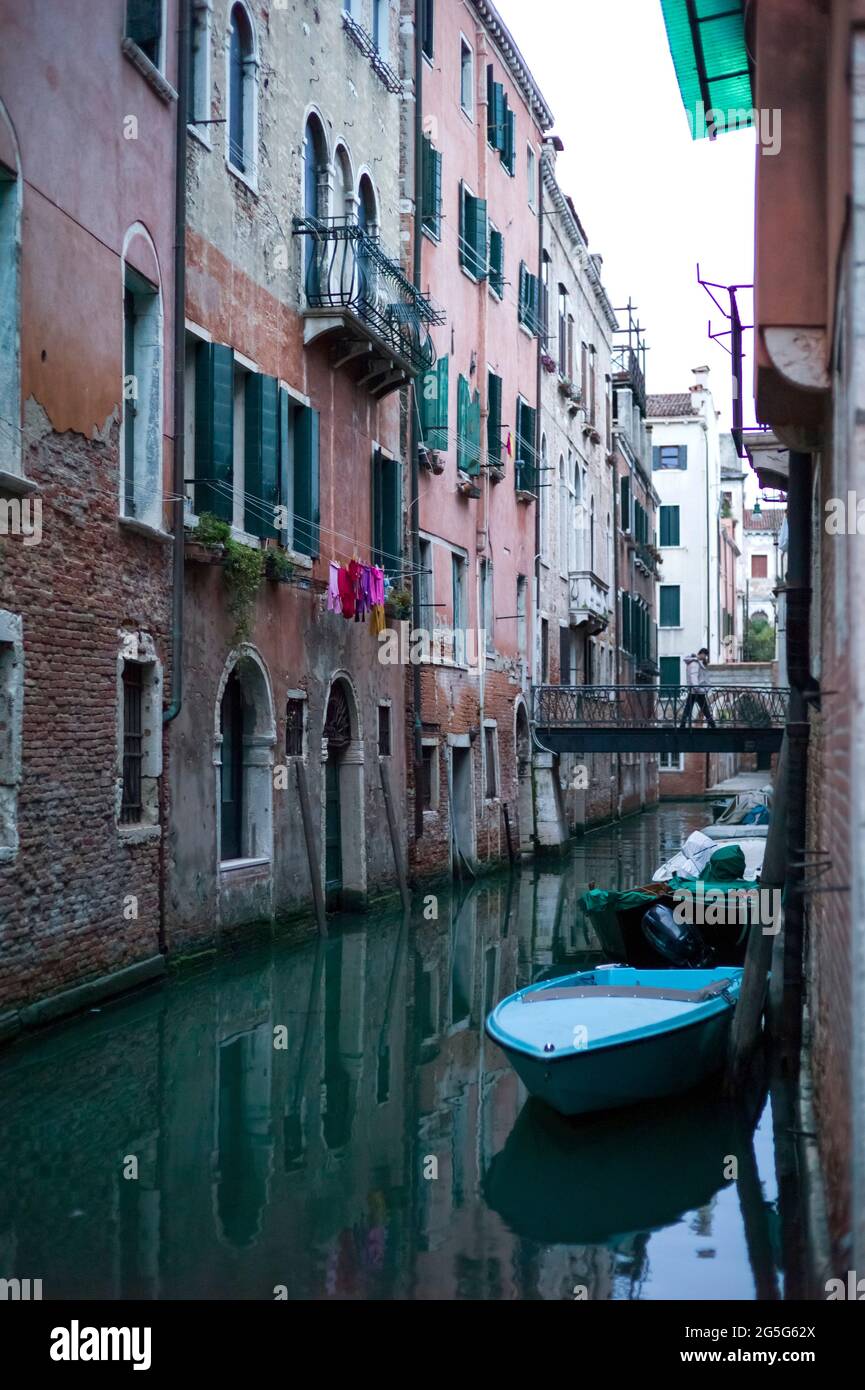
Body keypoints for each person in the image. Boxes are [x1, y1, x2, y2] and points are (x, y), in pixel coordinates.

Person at [679, 648, 716, 728]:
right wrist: (698, 688)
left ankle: (682, 725)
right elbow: (694, 677)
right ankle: (713, 725)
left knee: (688, 709)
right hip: (697, 691)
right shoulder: (695, 664)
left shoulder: (693, 663)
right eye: (705, 655)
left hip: (694, 691)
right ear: (702, 654)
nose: (705, 657)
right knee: (705, 709)